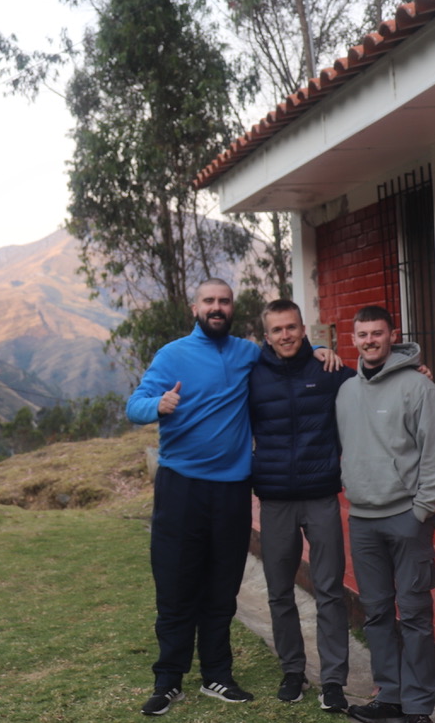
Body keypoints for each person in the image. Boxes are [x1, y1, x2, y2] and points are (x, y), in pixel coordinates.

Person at [127, 279, 338, 716]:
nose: (217, 307)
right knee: (176, 584)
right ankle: (168, 680)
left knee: (223, 587)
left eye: (224, 301)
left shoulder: (246, 352)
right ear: (195, 307)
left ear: (232, 308)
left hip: (232, 490)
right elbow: (134, 405)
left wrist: (318, 349)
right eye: (209, 301)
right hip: (181, 486)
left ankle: (217, 675)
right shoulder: (172, 355)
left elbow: (286, 347)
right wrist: (156, 406)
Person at [335, 305, 435, 723]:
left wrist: (421, 511)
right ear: (353, 339)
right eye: (362, 334)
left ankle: (419, 707)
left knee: (415, 614)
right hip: (362, 520)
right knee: (376, 613)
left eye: (377, 333)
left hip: (407, 518)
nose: (369, 340)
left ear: (392, 335)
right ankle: (389, 697)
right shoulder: (346, 392)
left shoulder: (419, 388)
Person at [248, 298, 355, 713]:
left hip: (321, 496)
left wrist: (412, 371)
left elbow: (371, 380)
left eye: (291, 327)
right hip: (275, 499)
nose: (285, 335)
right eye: (277, 330)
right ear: (267, 335)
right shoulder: (252, 374)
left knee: (329, 591)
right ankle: (293, 671)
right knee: (280, 592)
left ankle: (334, 680)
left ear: (303, 328)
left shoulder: (326, 370)